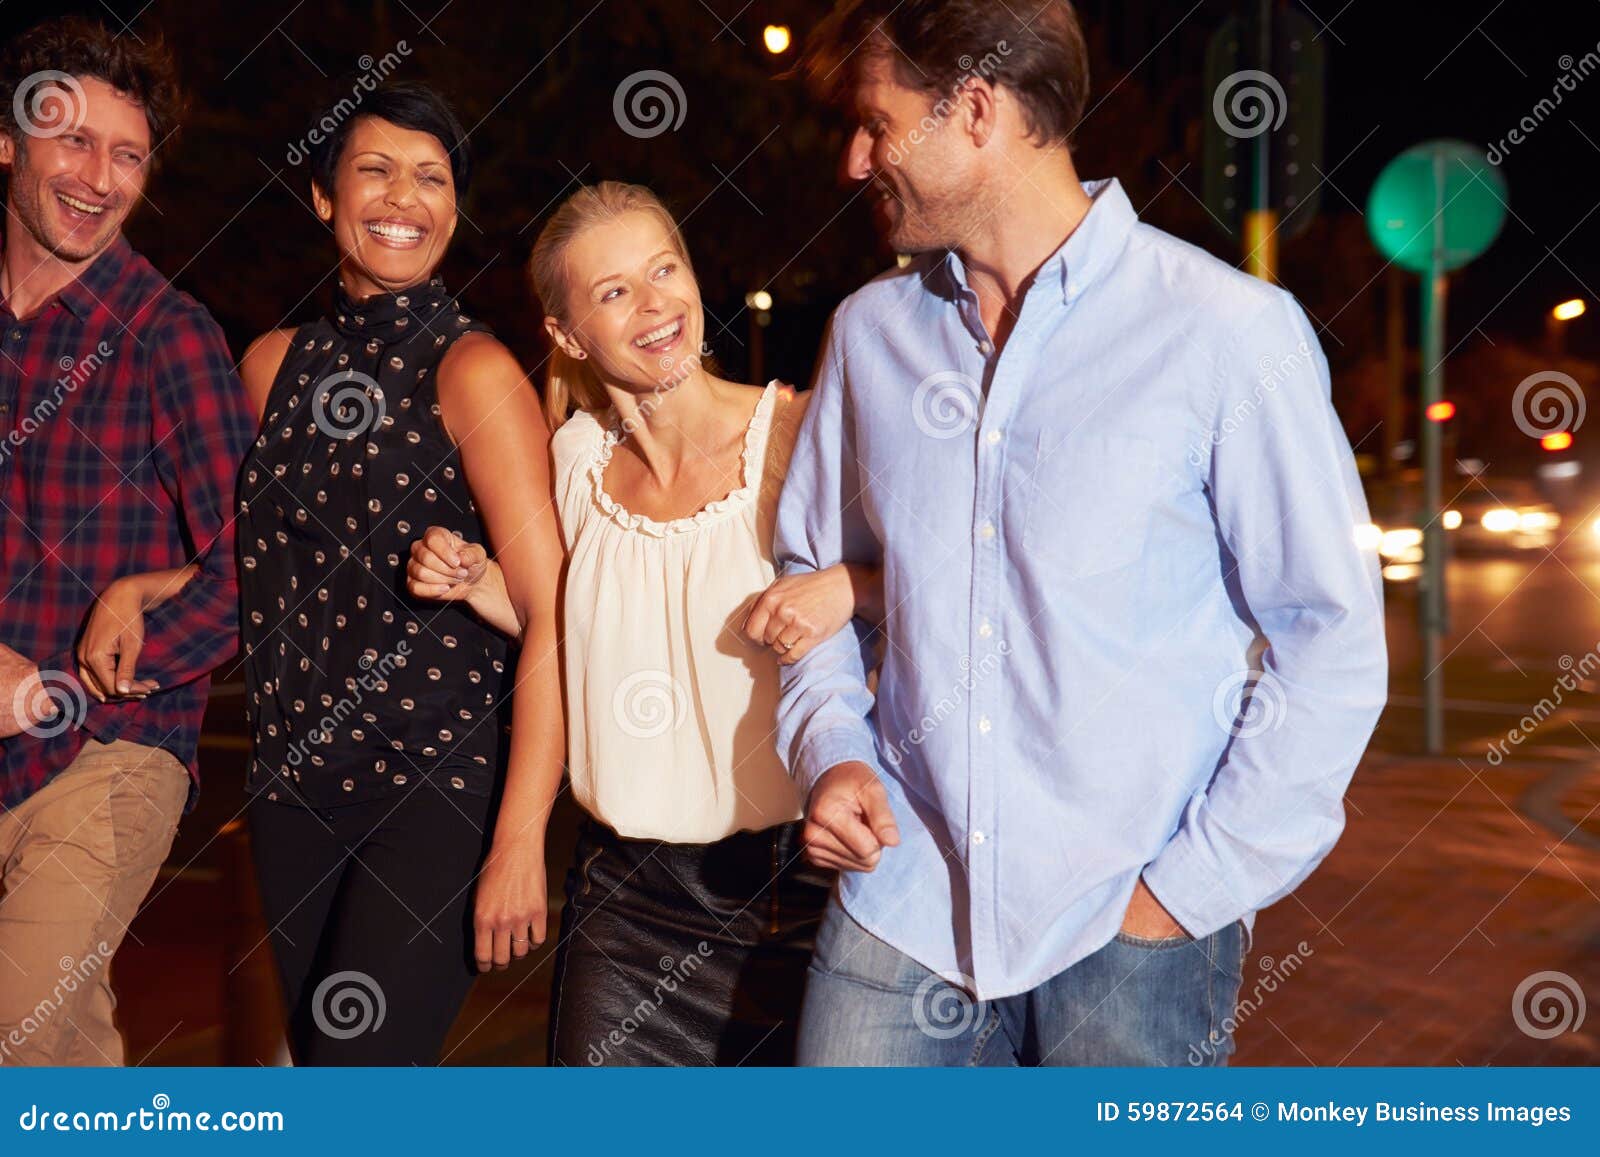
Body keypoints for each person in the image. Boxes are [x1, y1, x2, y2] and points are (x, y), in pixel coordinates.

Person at [775, 0, 1388, 1066]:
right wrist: (832, 751)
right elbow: (817, 573)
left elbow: (1330, 636)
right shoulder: (869, 335)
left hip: (1131, 919)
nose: (853, 160)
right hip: (904, 899)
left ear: (975, 109)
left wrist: (1188, 889)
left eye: (876, 123)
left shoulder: (1226, 333)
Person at [110, 85, 566, 1065]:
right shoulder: (270, 366)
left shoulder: (475, 372)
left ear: (453, 211)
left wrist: (521, 837)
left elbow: (554, 614)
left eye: (431, 177)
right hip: (293, 790)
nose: (404, 196)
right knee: (327, 1071)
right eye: (375, 170)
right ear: (323, 197)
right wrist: (134, 591)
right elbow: (240, 569)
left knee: (359, 1072)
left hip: (435, 790)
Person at [406, 180, 880, 1064]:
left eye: (665, 271)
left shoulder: (796, 430)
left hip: (798, 894)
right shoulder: (574, 457)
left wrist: (848, 586)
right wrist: (476, 581)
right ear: (567, 335)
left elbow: (937, 589)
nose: (655, 304)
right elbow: (576, 617)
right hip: (627, 902)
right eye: (615, 290)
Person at [0, 19, 254, 1066]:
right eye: (73, 140)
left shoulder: (169, 337)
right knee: (61, 1055)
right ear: (8, 142)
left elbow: (252, 570)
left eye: (128, 155)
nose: (99, 178)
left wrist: (79, 672)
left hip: (108, 750)